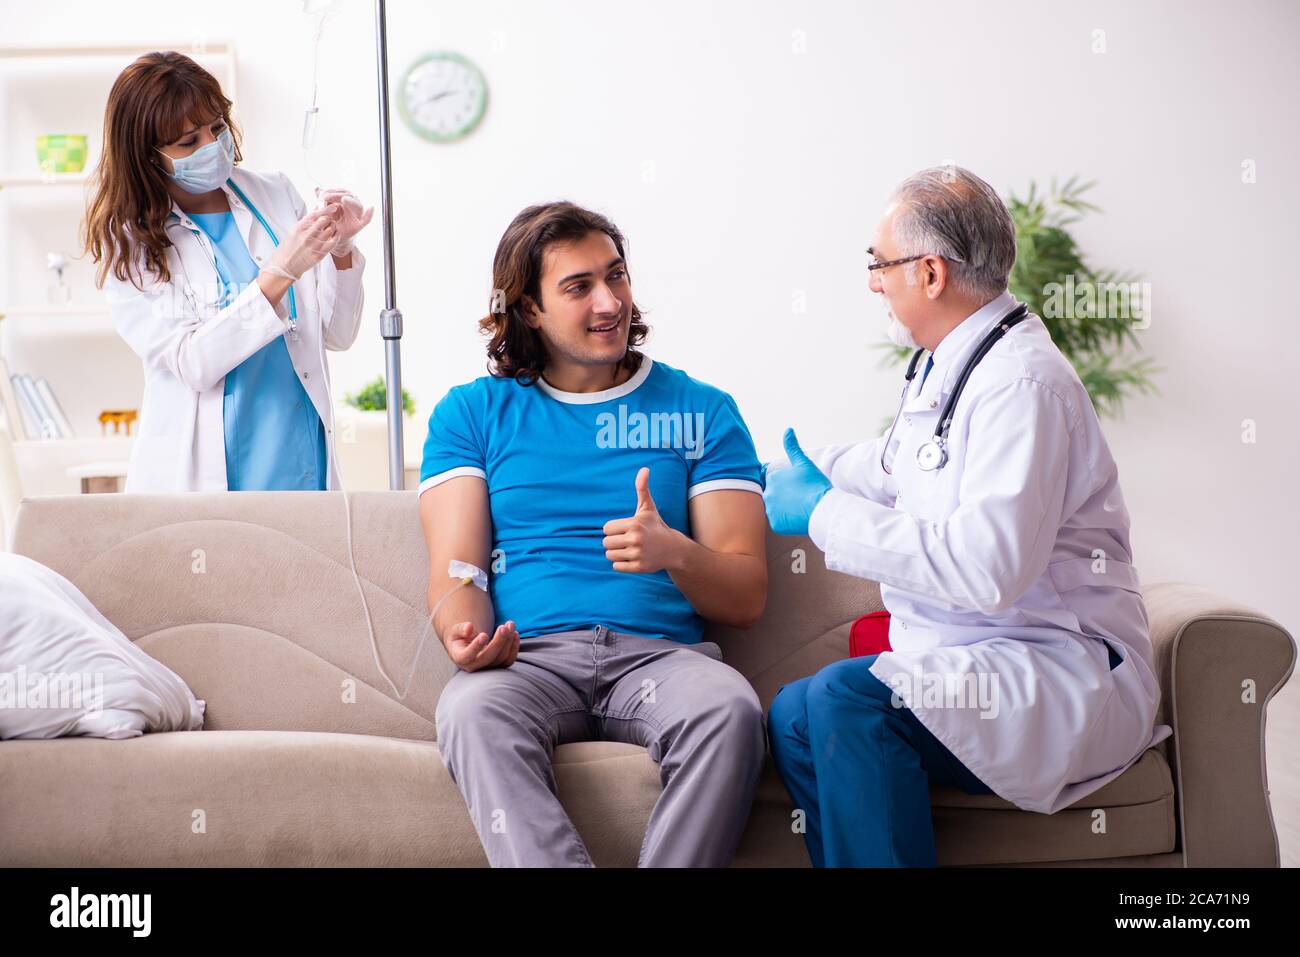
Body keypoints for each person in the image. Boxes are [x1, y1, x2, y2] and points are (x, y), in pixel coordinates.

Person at [762, 166, 1171, 867]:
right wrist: (768, 470)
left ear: (928, 273)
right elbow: (899, 464)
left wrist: (823, 513)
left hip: (1062, 667)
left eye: (877, 264)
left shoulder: (1023, 384)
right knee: (793, 713)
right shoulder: (954, 365)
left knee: (847, 698)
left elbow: (989, 570)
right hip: (985, 661)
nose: (871, 283)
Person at [419, 201, 768, 867]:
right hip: (528, 658)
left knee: (730, 710)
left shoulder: (702, 409)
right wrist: (464, 631)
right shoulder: (473, 412)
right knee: (471, 711)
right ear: (528, 309)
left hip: (661, 659)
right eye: (579, 287)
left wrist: (675, 552)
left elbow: (746, 595)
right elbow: (458, 567)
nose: (610, 302)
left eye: (617, 276)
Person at [83, 51, 373, 492]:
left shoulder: (274, 194)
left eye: (216, 127)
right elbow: (194, 364)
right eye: (187, 142)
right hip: (206, 477)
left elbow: (336, 334)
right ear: (145, 155)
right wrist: (281, 271)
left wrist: (341, 250)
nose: (211, 146)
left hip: (300, 459)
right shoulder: (131, 245)